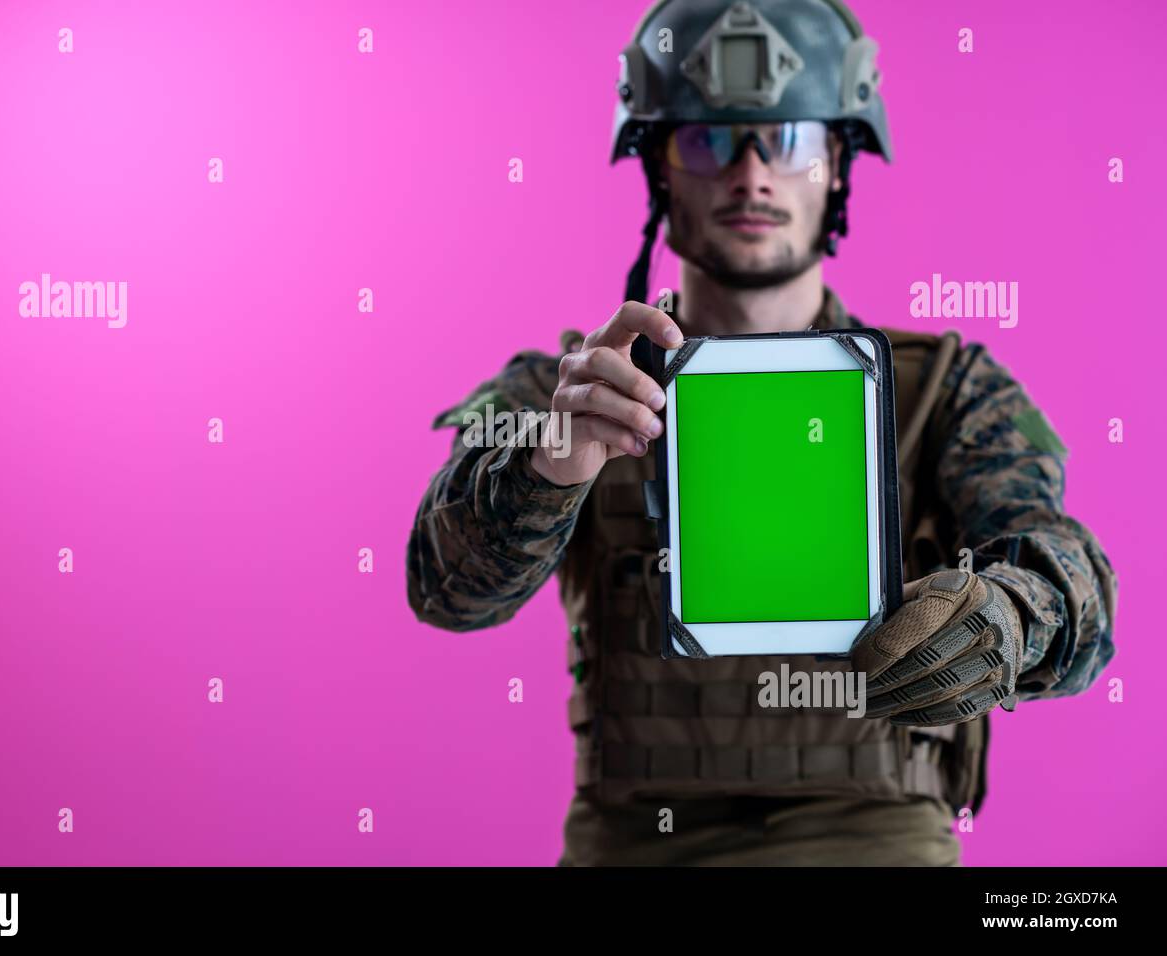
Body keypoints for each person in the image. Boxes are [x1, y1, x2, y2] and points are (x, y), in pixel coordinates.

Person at [406, 0, 1117, 866]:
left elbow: (1067, 572)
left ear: (838, 168)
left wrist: (1008, 617)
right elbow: (444, 592)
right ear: (660, 168)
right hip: (638, 842)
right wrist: (551, 464)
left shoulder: (943, 391)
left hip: (876, 843)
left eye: (791, 140)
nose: (752, 176)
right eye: (709, 139)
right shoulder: (571, 392)